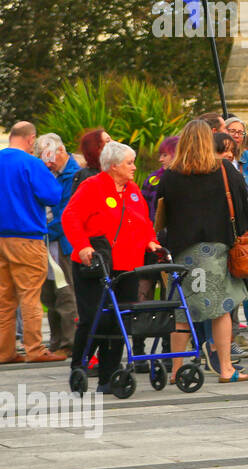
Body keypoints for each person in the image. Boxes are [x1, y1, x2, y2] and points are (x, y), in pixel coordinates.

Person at [155, 119, 248, 384]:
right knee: (220, 309)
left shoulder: (171, 175)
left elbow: (160, 215)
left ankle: (176, 370)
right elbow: (243, 209)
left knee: (182, 311)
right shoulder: (224, 170)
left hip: (182, 252)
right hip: (217, 248)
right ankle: (225, 368)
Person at [61, 141, 164, 388]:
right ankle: (80, 364)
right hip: (96, 265)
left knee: (121, 319)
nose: (134, 167)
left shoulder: (132, 190)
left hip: (127, 265)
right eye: (129, 162)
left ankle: (109, 375)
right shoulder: (92, 186)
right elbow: (70, 217)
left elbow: (144, 221)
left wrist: (151, 241)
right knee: (94, 317)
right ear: (114, 165)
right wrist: (83, 245)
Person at [1, 122, 64, 364]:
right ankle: (35, 349)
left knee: (4, 299)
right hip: (26, 236)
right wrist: (47, 172)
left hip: (0, 237)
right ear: (31, 140)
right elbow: (52, 196)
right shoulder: (31, 163)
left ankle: (5, 351)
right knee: (29, 295)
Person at [35, 132, 80, 357]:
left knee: (65, 292)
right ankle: (56, 339)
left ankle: (69, 342)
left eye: (50, 156)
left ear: (61, 150)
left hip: (62, 243)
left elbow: (66, 216)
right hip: (47, 242)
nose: (47, 162)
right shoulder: (49, 172)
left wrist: (43, 232)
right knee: (49, 295)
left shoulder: (73, 175)